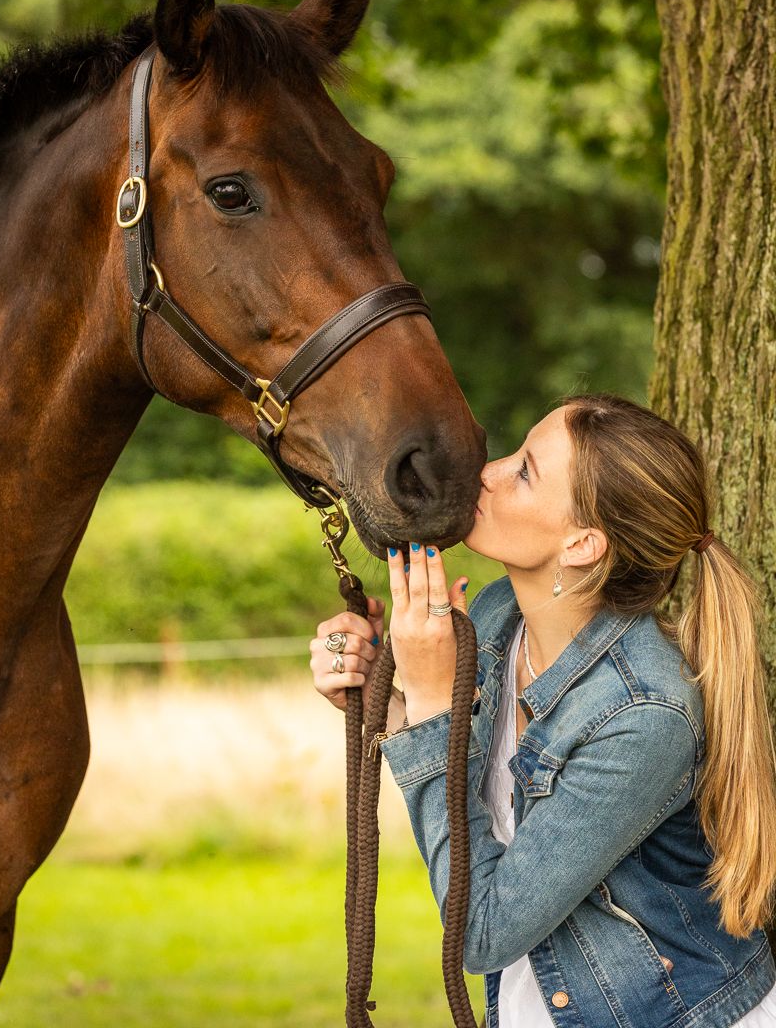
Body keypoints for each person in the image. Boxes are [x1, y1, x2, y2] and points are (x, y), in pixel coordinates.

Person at [310, 392, 776, 1028]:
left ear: (582, 543)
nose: (489, 470)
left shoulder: (642, 715)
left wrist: (426, 699)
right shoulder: (499, 618)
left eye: (524, 471)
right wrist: (380, 696)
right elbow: (455, 779)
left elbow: (483, 931)